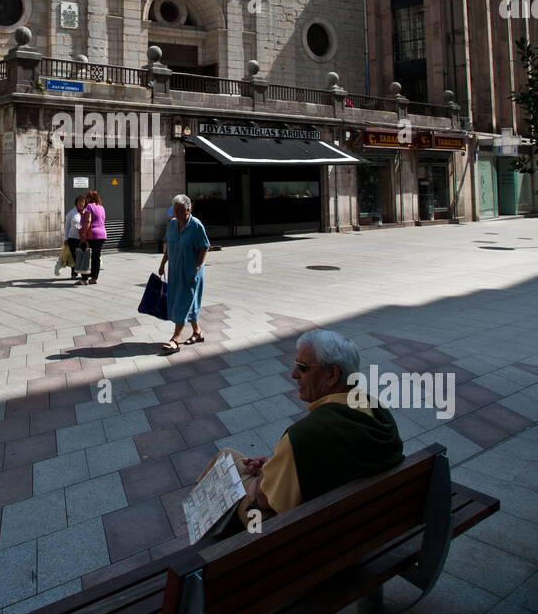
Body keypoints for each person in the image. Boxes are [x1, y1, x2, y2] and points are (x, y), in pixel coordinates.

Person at [210, 330, 405, 522]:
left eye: (303, 368)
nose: (294, 374)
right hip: (367, 521)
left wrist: (265, 472)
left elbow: (264, 499)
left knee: (225, 457)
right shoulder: (377, 410)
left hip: (292, 535)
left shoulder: (301, 436)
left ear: (332, 374)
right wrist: (278, 464)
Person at [158, 193, 210, 353]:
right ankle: (197, 332)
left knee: (183, 302)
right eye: (175, 210)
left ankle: (176, 338)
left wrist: (197, 266)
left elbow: (204, 246)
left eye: (180, 210)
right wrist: (162, 263)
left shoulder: (196, 225)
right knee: (183, 300)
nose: (177, 214)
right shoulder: (173, 224)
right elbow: (169, 245)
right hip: (174, 271)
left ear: (188, 209)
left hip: (190, 271)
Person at [78, 189, 107, 286]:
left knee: (85, 254)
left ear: (91, 198)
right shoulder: (101, 207)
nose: (86, 198)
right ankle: (94, 278)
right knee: (96, 257)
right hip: (102, 234)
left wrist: (84, 234)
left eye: (87, 196)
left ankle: (84, 279)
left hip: (92, 234)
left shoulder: (89, 206)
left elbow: (88, 221)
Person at [63, 194, 86, 280]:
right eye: (79, 201)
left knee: (83, 256)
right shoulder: (71, 213)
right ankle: (74, 273)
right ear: (76, 203)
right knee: (73, 257)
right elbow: (67, 226)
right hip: (73, 238)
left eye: (83, 201)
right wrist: (66, 238)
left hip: (83, 238)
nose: (81, 203)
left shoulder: (86, 212)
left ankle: (84, 273)